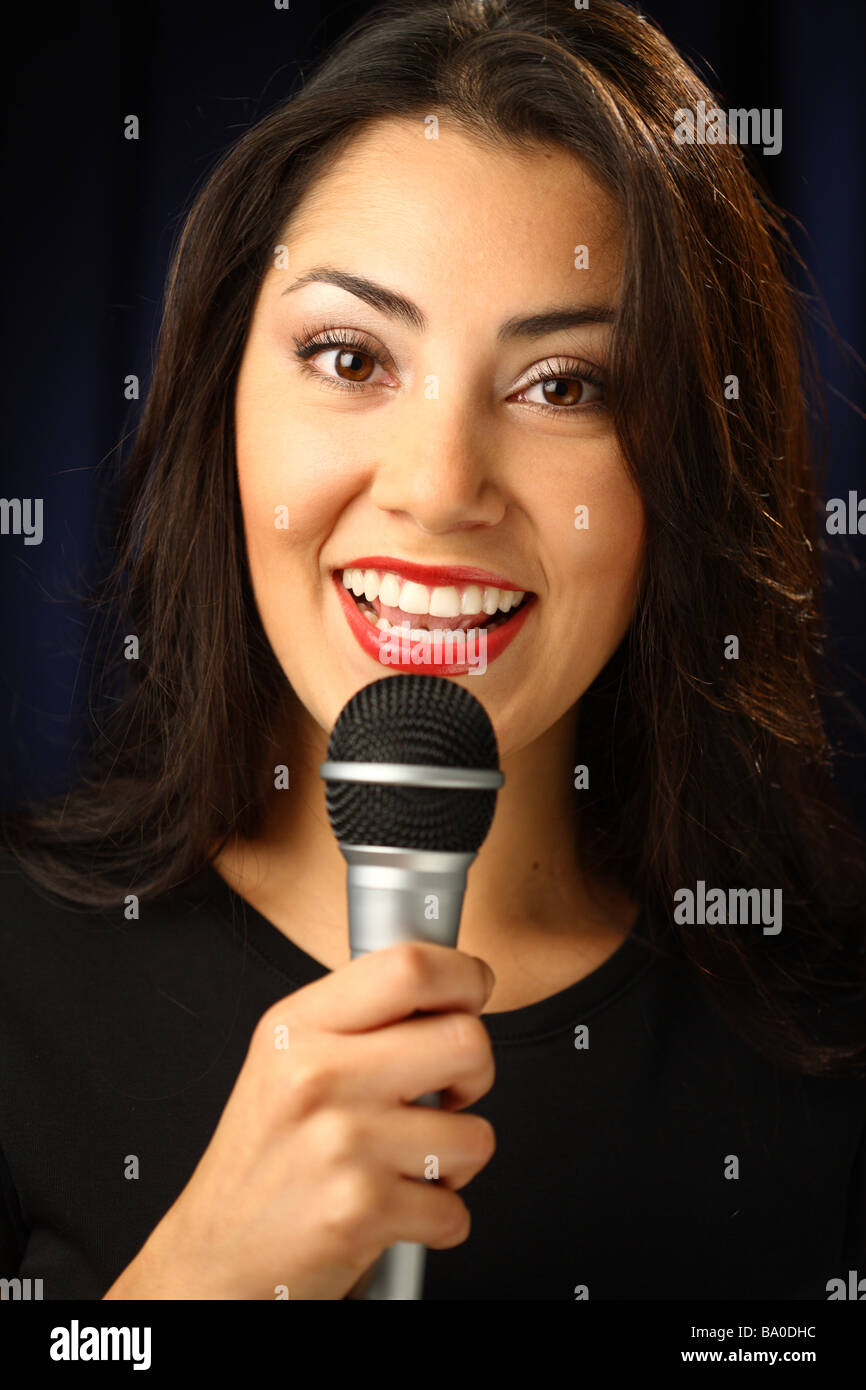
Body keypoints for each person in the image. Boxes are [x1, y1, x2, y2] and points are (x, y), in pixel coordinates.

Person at [1, 0, 864, 1302]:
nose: (438, 485)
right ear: (220, 399)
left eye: (564, 384)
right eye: (348, 356)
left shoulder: (831, 1044)